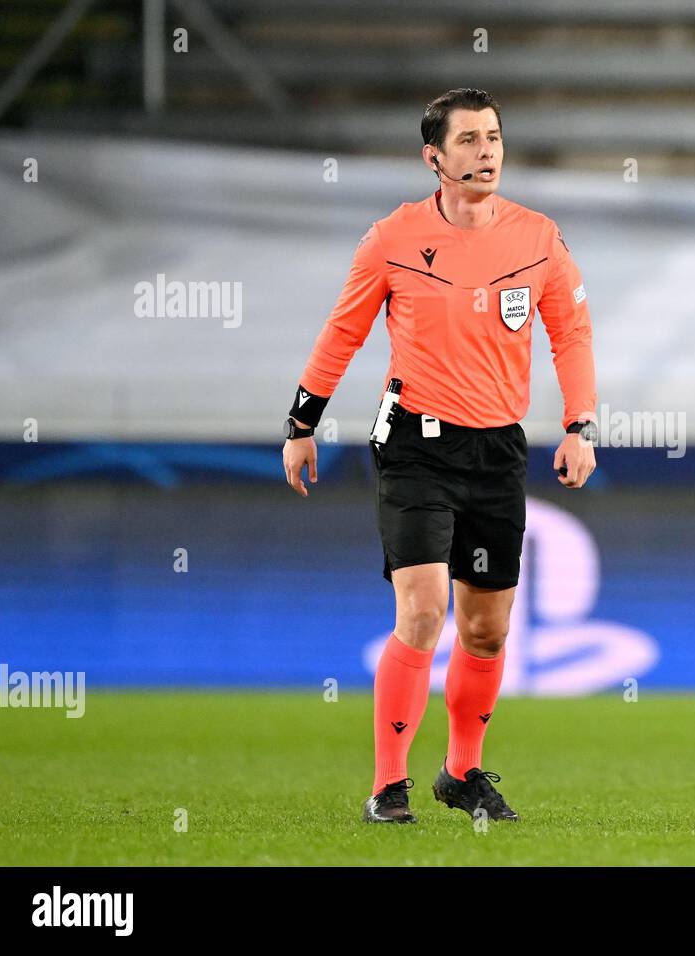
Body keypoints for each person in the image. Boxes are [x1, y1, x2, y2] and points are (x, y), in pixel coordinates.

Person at [281, 88, 598, 825]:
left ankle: (460, 772)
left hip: (497, 452)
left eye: (493, 137)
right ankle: (387, 785)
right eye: (469, 141)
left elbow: (572, 336)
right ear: (434, 158)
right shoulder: (392, 238)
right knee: (423, 613)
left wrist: (580, 424)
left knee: (486, 631)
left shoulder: (539, 237)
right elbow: (343, 332)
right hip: (415, 448)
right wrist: (302, 424)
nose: (487, 151)